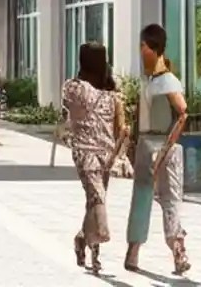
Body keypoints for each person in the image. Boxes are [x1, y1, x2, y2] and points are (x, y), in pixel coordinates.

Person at [124, 24, 190, 275]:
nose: (140, 51)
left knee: (170, 200)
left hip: (165, 146)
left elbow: (182, 113)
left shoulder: (168, 81)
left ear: (153, 48)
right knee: (141, 199)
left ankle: (178, 251)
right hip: (145, 145)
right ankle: (133, 251)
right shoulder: (147, 79)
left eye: (143, 46)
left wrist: (167, 148)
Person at [62, 42, 128, 274]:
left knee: (93, 201)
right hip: (84, 152)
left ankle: (83, 240)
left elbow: (119, 126)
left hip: (106, 154)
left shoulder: (111, 94)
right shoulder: (75, 88)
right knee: (97, 197)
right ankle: (99, 239)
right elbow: (69, 108)